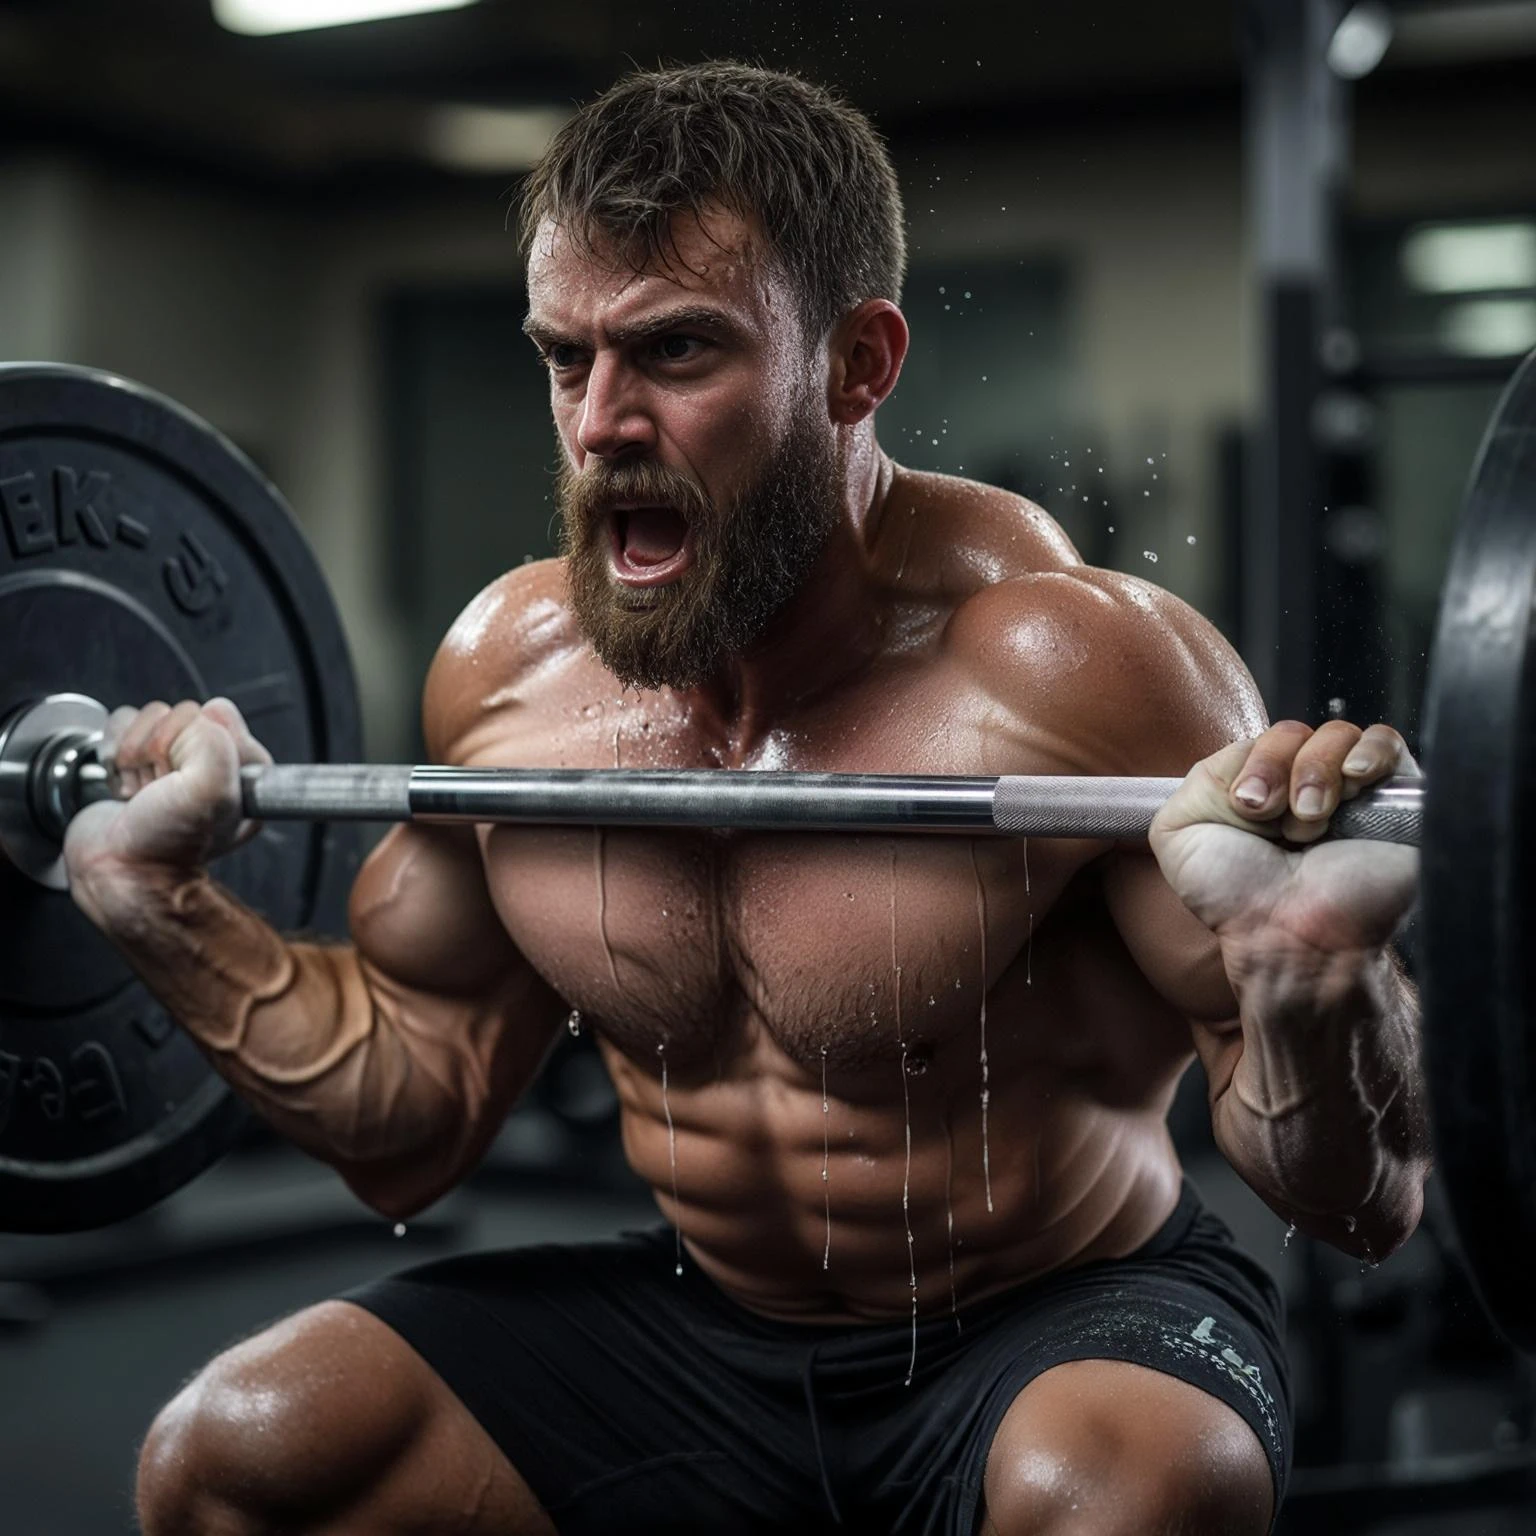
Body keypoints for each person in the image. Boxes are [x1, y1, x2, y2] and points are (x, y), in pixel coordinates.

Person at [67, 61, 1429, 1536]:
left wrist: (1308, 979)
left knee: (1132, 1492)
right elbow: (416, 1116)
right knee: (241, 1462)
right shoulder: (509, 686)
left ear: (857, 365)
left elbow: (1365, 1203)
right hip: (706, 1332)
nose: (599, 424)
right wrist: (157, 903)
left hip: (1058, 1317)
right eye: (563, 359)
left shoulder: (1070, 675)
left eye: (674, 353)